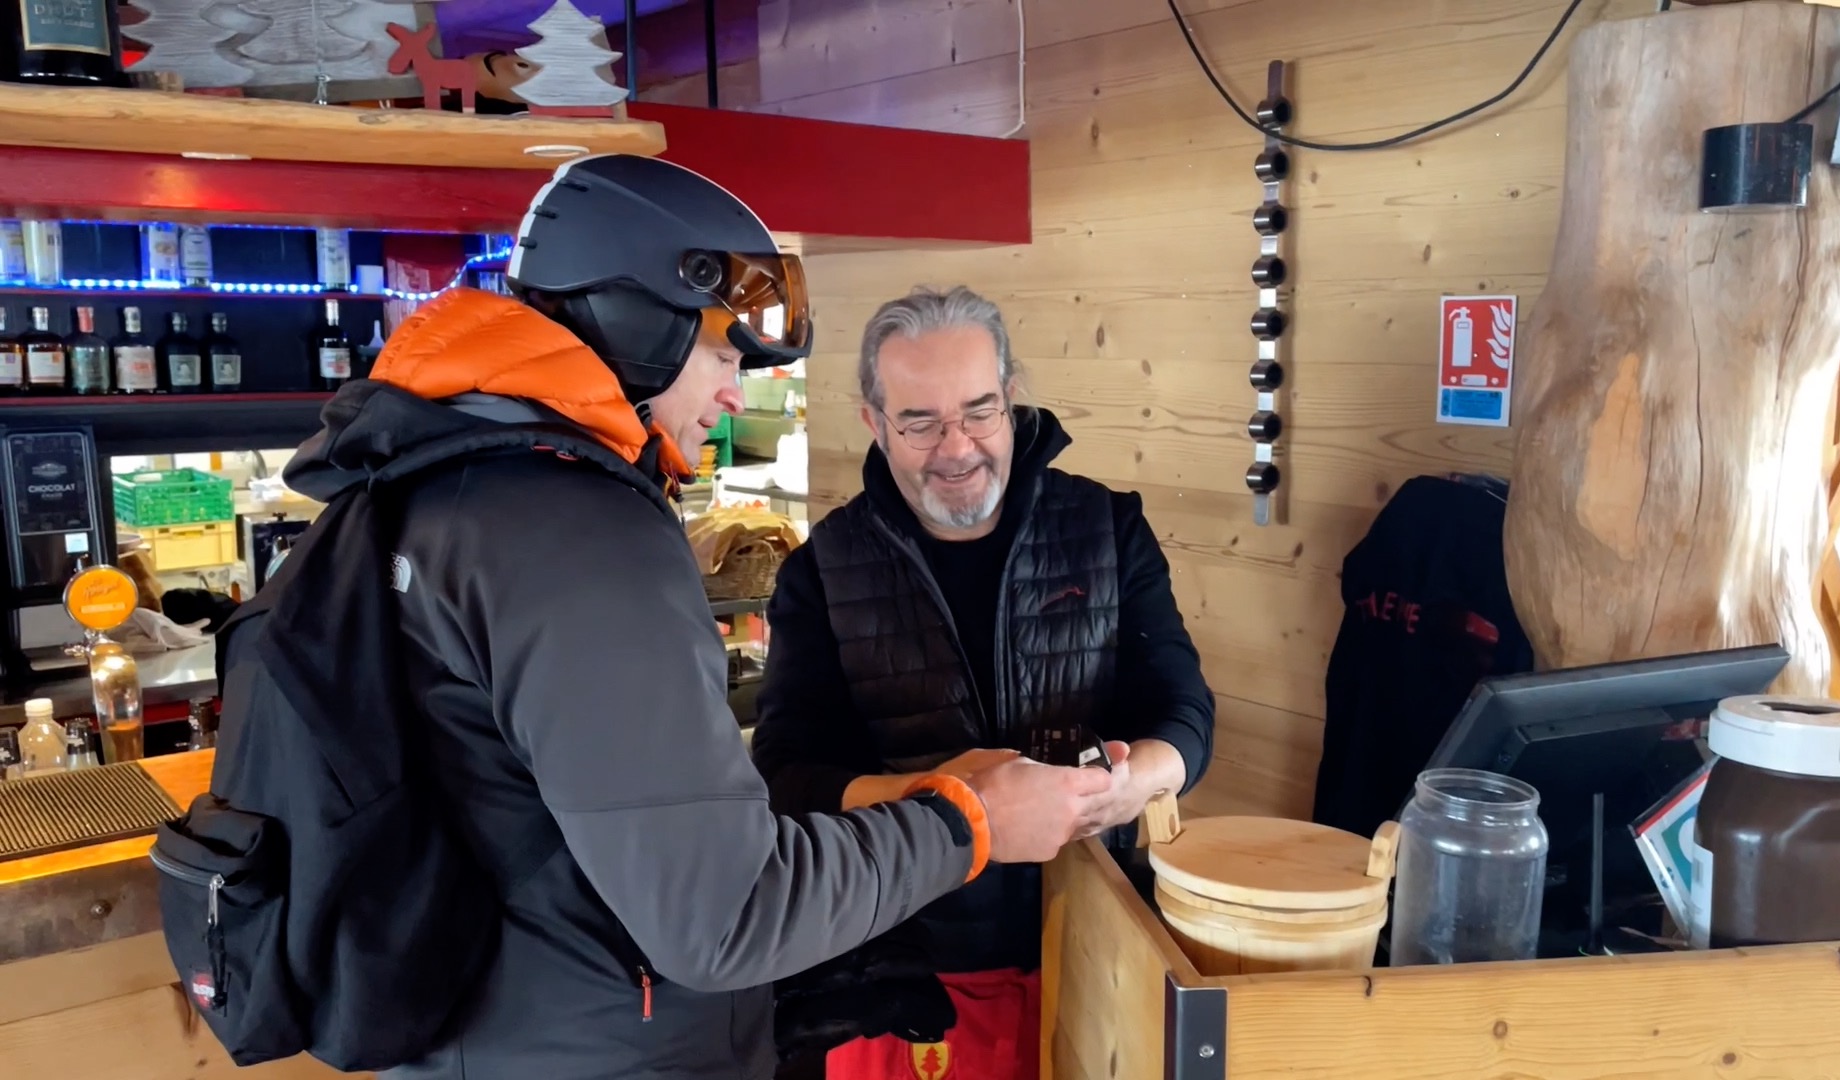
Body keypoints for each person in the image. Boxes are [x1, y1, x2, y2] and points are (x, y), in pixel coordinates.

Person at [228, 158, 1117, 1080]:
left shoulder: (434, 477)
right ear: (641, 327)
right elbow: (725, 918)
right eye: (725, 355)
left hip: (497, 1034)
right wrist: (969, 823)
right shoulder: (574, 532)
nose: (735, 393)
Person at [750, 285, 1216, 1080]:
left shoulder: (1108, 527)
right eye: (920, 421)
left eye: (979, 410)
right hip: (901, 967)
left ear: (1010, 397)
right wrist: (955, 803)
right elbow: (788, 779)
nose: (958, 447)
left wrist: (1133, 783)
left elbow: (1184, 714)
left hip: (1094, 936)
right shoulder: (821, 572)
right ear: (874, 422)